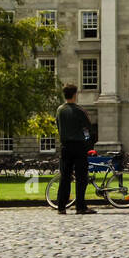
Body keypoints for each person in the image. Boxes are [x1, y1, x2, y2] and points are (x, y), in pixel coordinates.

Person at [55, 83, 94, 214]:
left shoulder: (60, 110)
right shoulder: (79, 110)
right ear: (75, 95)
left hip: (65, 146)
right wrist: (87, 140)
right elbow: (88, 127)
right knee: (81, 177)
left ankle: (61, 206)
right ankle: (80, 206)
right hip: (78, 146)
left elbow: (58, 127)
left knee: (65, 177)